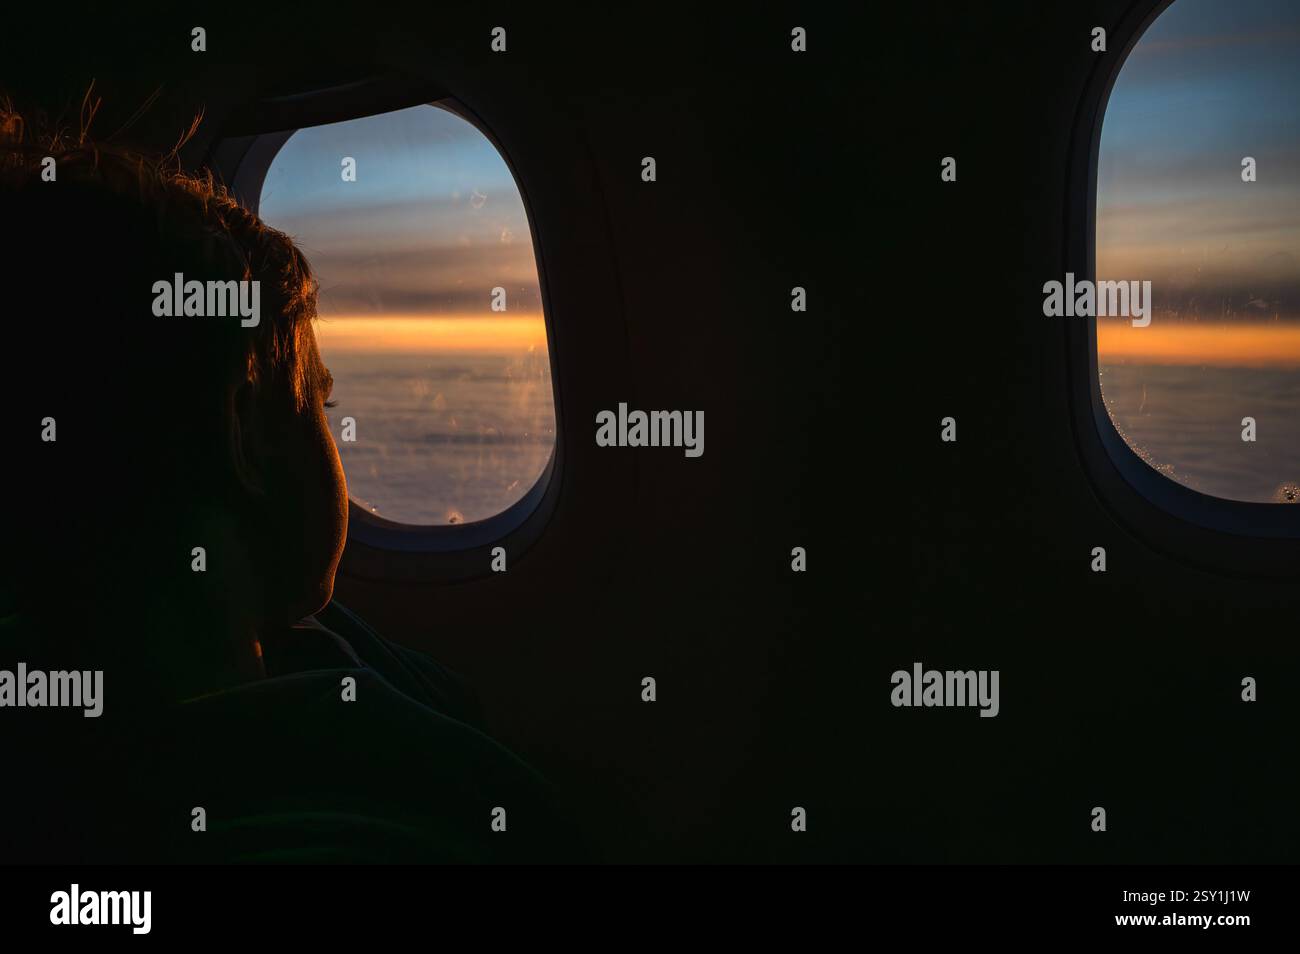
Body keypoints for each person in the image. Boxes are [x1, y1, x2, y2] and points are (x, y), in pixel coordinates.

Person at [0, 98, 576, 863]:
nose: (334, 433)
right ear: (245, 432)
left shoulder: (309, 640)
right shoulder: (280, 827)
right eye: (321, 404)